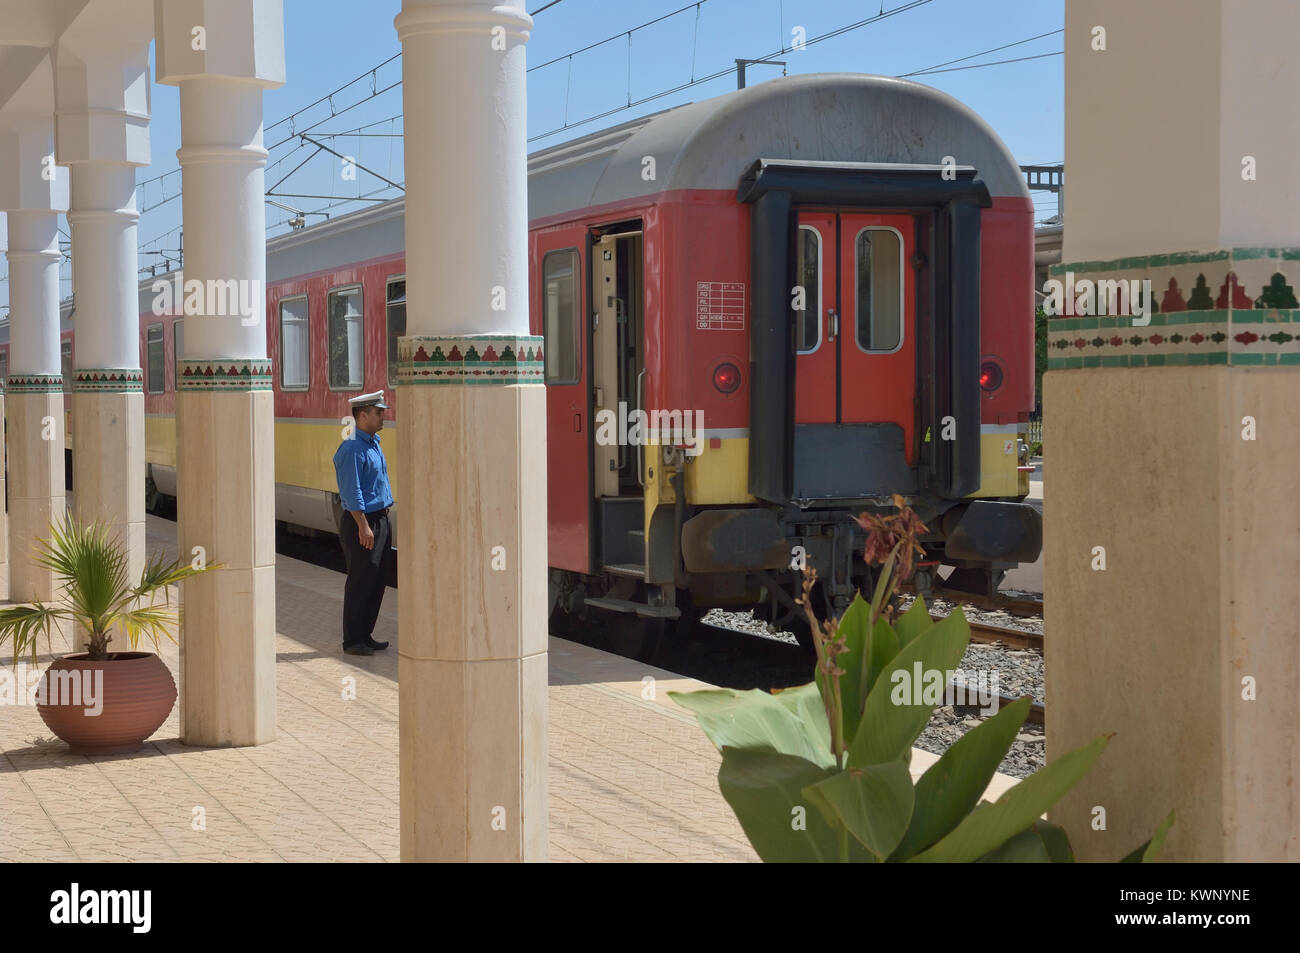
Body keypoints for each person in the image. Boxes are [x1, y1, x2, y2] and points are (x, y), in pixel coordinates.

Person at [333, 391, 395, 656]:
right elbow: (351, 490)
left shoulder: (373, 443)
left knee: (377, 578)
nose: (383, 415)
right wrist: (363, 524)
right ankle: (352, 640)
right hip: (363, 522)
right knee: (360, 579)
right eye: (378, 412)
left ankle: (365, 634)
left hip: (380, 518)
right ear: (362, 415)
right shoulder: (351, 447)